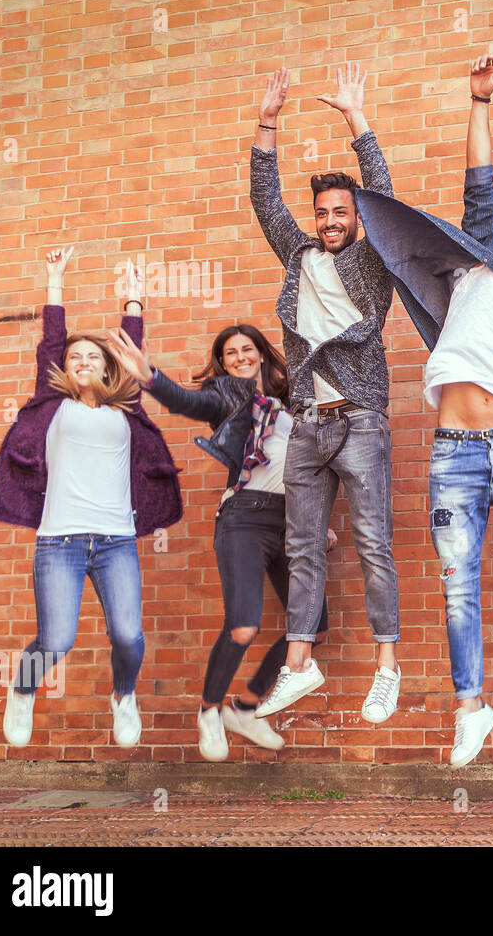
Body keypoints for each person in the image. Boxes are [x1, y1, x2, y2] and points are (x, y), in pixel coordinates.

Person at [355, 54, 493, 768]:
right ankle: (470, 710)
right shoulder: (478, 266)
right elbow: (478, 185)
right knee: (459, 590)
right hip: (453, 453)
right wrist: (478, 103)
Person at [248, 63, 402, 723]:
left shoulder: (370, 259)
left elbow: (386, 192)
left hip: (360, 420)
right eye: (325, 213)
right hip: (308, 424)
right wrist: (266, 122)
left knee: (371, 541)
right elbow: (265, 201)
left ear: (356, 219)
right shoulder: (298, 256)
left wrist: (355, 118)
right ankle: (299, 665)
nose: (332, 220)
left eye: (343, 212)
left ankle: (387, 667)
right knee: (303, 544)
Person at [108, 324, 338, 760]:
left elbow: (310, 471)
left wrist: (318, 521)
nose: (239, 357)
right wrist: (149, 377)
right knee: (244, 626)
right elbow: (189, 402)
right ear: (223, 361)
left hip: (293, 524)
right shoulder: (229, 397)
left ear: (263, 355)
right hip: (244, 520)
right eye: (229, 352)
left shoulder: (293, 403)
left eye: (246, 349)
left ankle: (246, 707)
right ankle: (210, 711)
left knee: (314, 629)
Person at [0, 248, 182, 748]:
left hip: (117, 540)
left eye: (92, 357)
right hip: (60, 542)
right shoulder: (52, 406)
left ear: (106, 367)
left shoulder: (126, 410)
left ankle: (123, 696)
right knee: (56, 640)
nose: (82, 361)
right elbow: (51, 342)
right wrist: (54, 281)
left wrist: (134, 296)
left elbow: (131, 344)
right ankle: (23, 689)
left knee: (128, 636)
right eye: (75, 357)